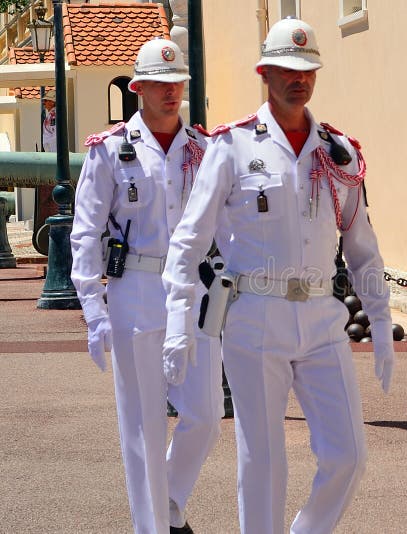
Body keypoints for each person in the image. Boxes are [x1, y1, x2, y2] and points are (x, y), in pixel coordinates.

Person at [161, 17, 394, 534]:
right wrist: (180, 320)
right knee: (263, 463)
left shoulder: (339, 152)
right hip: (255, 318)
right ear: (265, 72)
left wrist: (379, 320)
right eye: (287, 69)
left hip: (321, 318)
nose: (299, 79)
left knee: (350, 454)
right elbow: (189, 242)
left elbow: (362, 248)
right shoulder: (233, 146)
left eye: (308, 69)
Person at [70, 38, 224, 534]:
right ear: (138, 88)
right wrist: (94, 312)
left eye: (177, 82)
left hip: (194, 294)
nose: (170, 91)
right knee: (143, 428)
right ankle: (153, 526)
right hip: (134, 290)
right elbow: (85, 234)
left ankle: (171, 500)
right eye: (159, 83)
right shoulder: (112, 150)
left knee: (204, 414)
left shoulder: (204, 149)